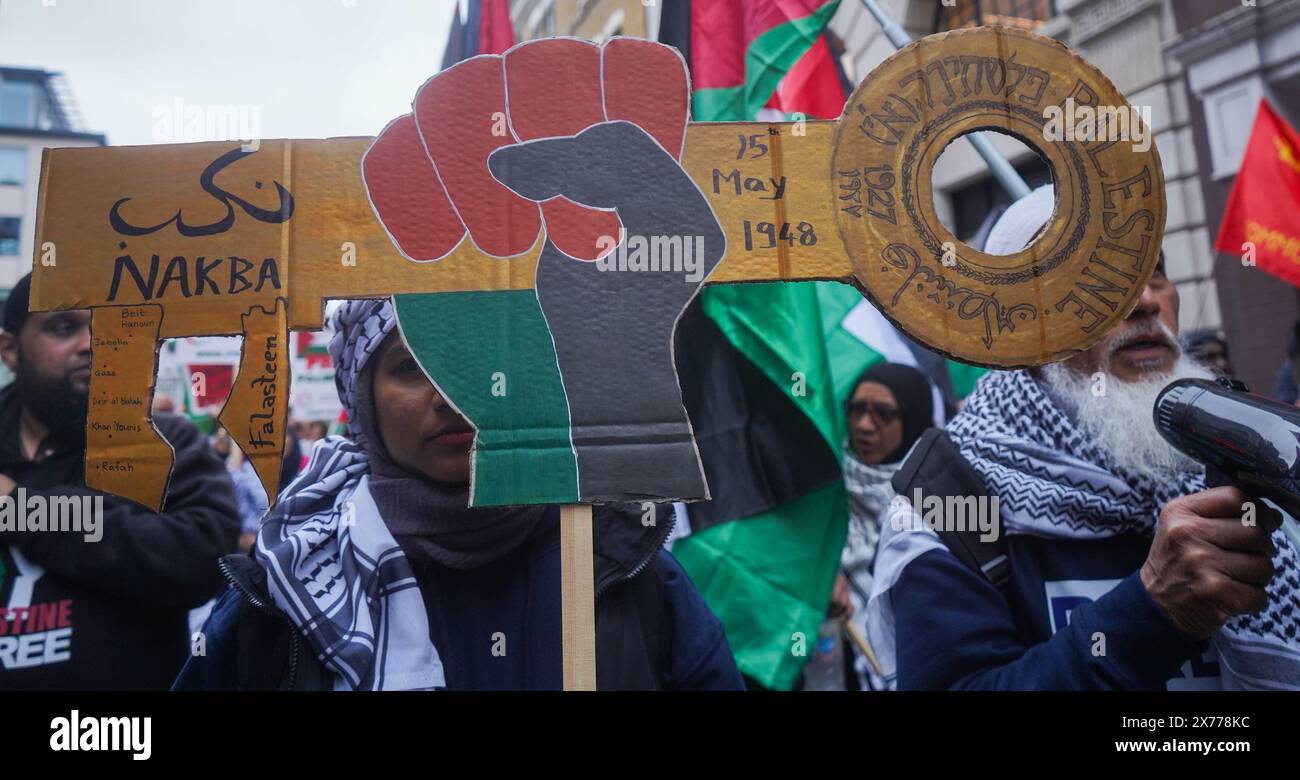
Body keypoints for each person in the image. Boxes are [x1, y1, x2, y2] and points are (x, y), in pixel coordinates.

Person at [175, 298, 744, 690]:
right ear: (362, 398)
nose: (450, 393)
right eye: (410, 364)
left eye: (483, 359)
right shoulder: (288, 584)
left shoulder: (621, 561)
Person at [866, 186, 1300, 690]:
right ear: (1022, 324)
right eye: (1088, 277)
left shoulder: (1244, 453)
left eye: (1150, 269)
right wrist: (1152, 612)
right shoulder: (947, 499)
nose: (1142, 300)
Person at [0, 273, 240, 689]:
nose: (91, 344)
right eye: (63, 327)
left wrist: (24, 510)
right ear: (9, 349)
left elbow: (203, 556)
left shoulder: (163, 443)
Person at [828, 363, 933, 690]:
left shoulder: (936, 493)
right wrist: (822, 577)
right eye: (856, 409)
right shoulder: (826, 483)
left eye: (884, 414)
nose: (864, 425)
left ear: (913, 418)